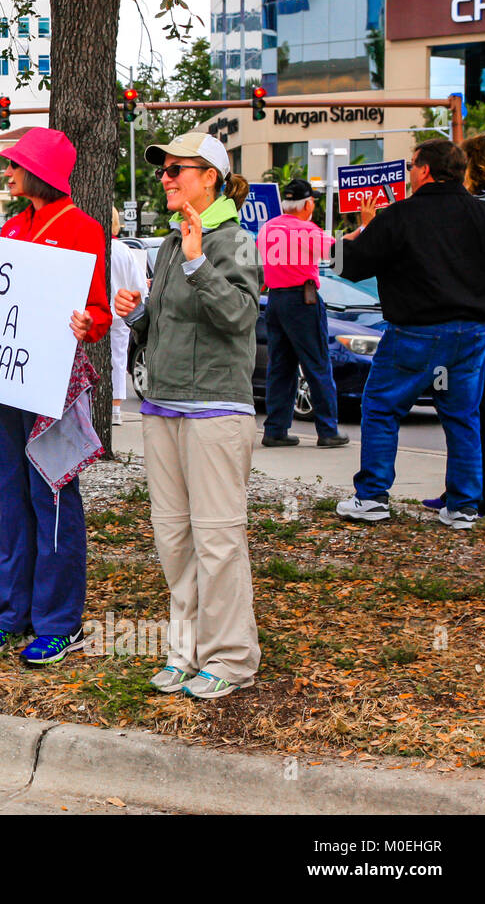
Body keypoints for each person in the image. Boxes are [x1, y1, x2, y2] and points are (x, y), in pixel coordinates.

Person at [0, 129, 108, 665]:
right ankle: (11, 615)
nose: (7, 174)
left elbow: (97, 309)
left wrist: (87, 323)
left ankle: (58, 623)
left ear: (43, 173)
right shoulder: (12, 225)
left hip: (52, 385)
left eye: (15, 166)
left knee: (50, 499)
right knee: (11, 499)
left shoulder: (83, 228)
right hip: (8, 385)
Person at [113, 132, 261, 699]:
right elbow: (171, 327)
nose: (167, 177)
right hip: (163, 405)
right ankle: (186, 650)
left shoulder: (234, 241)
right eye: (165, 169)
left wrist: (199, 262)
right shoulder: (174, 242)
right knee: (174, 537)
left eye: (179, 169)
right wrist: (139, 314)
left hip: (217, 410)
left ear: (212, 178)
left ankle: (231, 657)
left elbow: (239, 318)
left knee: (218, 538)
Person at [335, 137, 485, 531]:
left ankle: (371, 497)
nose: (407, 173)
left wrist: (361, 231)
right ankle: (463, 506)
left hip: (416, 332)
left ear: (424, 169)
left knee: (381, 407)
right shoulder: (483, 215)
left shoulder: (400, 215)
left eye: (410, 166)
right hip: (472, 333)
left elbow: (350, 266)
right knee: (462, 416)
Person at [422, 132, 485, 517]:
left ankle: (469, 495)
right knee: (466, 414)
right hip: (476, 331)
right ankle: (461, 494)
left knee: (469, 414)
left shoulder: (478, 209)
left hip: (473, 330)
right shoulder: (476, 207)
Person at [256, 178, 347, 448]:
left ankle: (275, 429)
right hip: (302, 301)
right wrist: (365, 225)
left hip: (274, 301)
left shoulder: (268, 228)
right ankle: (328, 430)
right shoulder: (306, 230)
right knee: (317, 364)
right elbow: (337, 253)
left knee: (280, 367)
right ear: (307, 204)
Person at [108, 206, 147, 426]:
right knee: (118, 360)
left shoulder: (93, 246)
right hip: (120, 312)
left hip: (95, 311)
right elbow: (139, 286)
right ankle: (115, 408)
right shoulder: (125, 251)